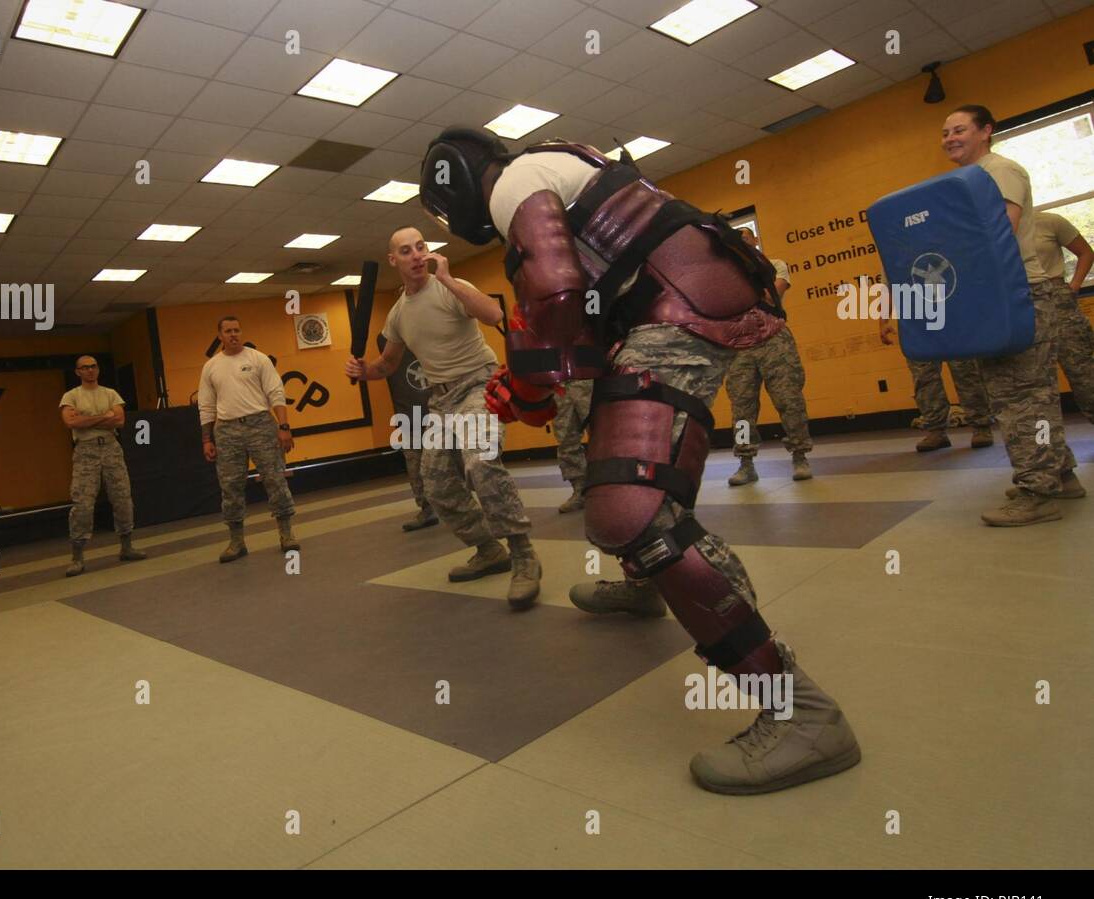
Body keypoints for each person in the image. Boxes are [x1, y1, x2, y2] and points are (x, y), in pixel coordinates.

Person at [419, 127, 859, 793]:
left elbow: (560, 300)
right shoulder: (562, 161)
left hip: (675, 313)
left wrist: (529, 382)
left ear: (454, 183)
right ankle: (650, 586)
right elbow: (591, 303)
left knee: (632, 512)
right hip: (683, 300)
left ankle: (802, 711)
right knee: (612, 444)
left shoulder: (512, 184)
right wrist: (539, 376)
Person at [345, 227, 541, 610]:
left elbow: (494, 314)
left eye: (421, 247)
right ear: (394, 260)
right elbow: (387, 364)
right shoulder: (399, 314)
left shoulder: (450, 287)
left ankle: (523, 554)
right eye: (406, 250)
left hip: (477, 385)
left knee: (480, 462)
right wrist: (361, 371)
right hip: (441, 400)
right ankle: (488, 549)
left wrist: (449, 280)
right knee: (435, 485)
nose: (417, 255)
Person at [940, 105, 1083, 522]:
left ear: (986, 131)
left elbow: (998, 229)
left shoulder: (997, 170)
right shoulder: (970, 177)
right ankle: (1061, 474)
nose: (950, 138)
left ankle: (1037, 493)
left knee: (1020, 397)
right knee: (1030, 391)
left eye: (960, 129)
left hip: (1017, 293)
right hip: (1002, 295)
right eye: (945, 132)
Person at [199, 317, 299, 561]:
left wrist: (284, 427)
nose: (233, 334)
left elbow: (276, 393)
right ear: (220, 335)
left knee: (275, 479)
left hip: (261, 425)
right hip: (226, 431)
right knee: (230, 487)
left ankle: (286, 535)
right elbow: (206, 406)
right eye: (228, 331)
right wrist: (206, 440)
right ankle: (236, 542)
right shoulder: (211, 366)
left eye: (237, 330)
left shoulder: (258, 359)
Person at [724, 228, 814, 485]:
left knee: (789, 400)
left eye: (745, 237)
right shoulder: (728, 275)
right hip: (741, 345)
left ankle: (800, 455)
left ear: (754, 240)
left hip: (774, 340)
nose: (741, 243)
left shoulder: (774, 266)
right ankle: (745, 462)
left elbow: (772, 296)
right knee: (741, 409)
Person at [60, 355, 146, 575]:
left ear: (98, 369)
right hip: (85, 452)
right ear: (77, 372)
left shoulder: (110, 394)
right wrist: (103, 416)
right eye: (85, 368)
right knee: (83, 505)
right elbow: (71, 422)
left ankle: (126, 547)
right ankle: (77, 557)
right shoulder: (71, 396)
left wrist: (87, 419)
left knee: (122, 498)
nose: (90, 370)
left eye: (93, 366)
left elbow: (119, 420)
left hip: (111, 448)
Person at [1031, 210, 1094, 424]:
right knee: (1033, 378)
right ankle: (1045, 442)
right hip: (1021, 303)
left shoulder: (1049, 221)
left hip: (1057, 299)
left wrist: (1075, 285)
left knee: (1083, 370)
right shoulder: (996, 229)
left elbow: (1086, 252)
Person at [377, 332, 439, 531]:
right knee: (415, 466)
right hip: (408, 414)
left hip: (438, 410)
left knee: (451, 462)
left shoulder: (429, 330)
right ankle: (427, 509)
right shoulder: (385, 340)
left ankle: (461, 506)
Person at [551, 379, 593, 511]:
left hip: (585, 380)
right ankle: (580, 492)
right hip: (558, 385)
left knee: (602, 436)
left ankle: (611, 489)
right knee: (565, 441)